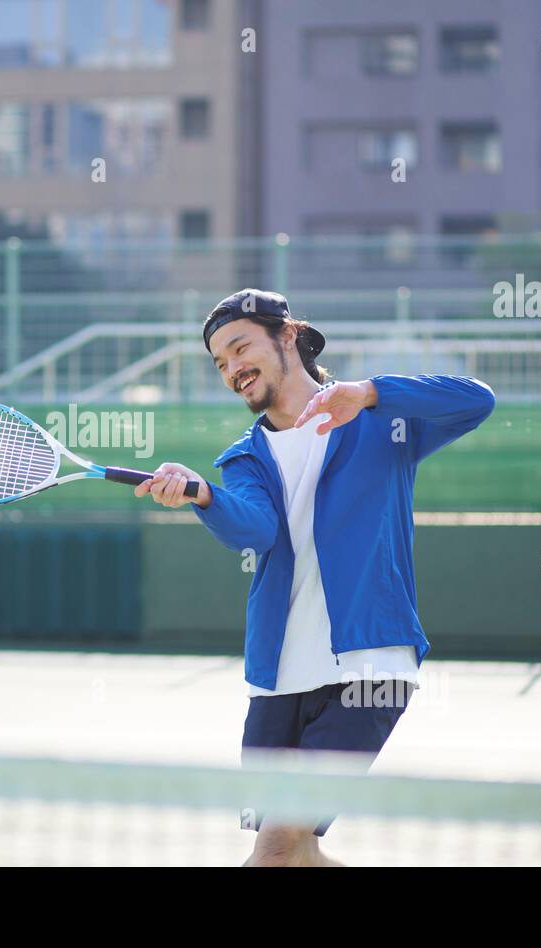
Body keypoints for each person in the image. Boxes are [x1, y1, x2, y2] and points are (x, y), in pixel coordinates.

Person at [135, 289, 495, 866]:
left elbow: (475, 401)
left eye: (239, 347)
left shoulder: (382, 423)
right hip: (279, 678)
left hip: (370, 667)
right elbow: (256, 531)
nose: (231, 369)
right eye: (219, 362)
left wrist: (371, 392)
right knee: (296, 853)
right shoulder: (243, 459)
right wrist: (204, 493)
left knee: (276, 844)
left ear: (288, 336)